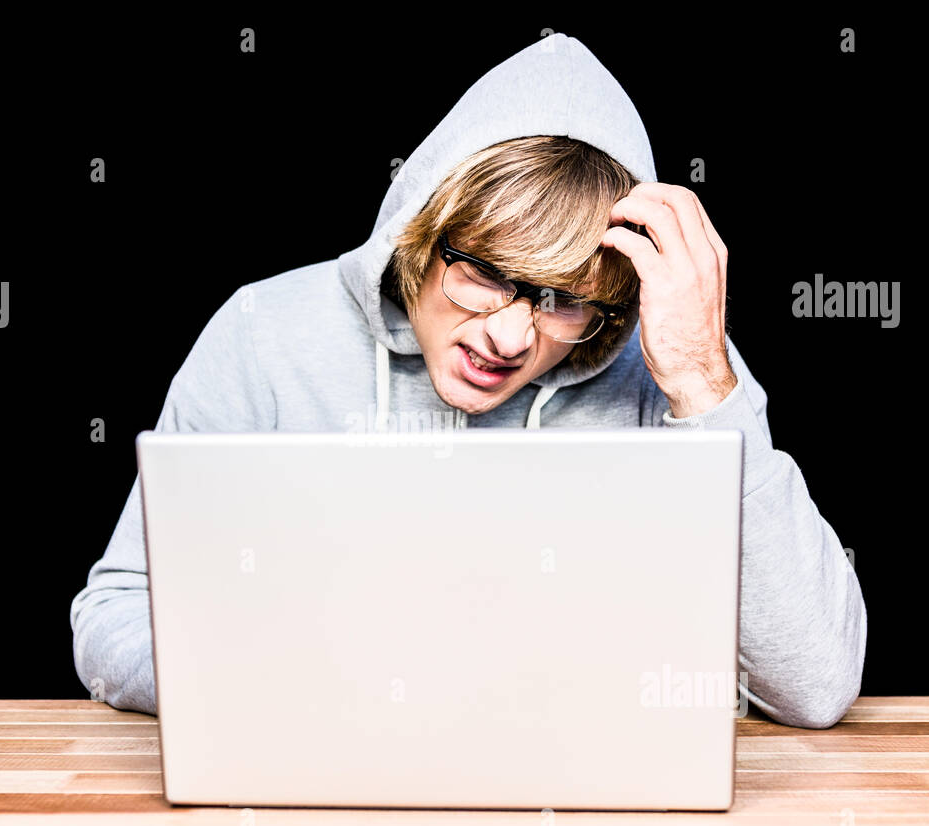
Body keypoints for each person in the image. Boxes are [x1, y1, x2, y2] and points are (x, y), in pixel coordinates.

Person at [70, 33, 866, 729]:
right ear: (422, 233)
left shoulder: (671, 367)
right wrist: (298, 673)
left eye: (563, 300)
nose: (512, 336)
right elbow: (113, 618)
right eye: (486, 274)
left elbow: (816, 682)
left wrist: (702, 382)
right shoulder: (262, 336)